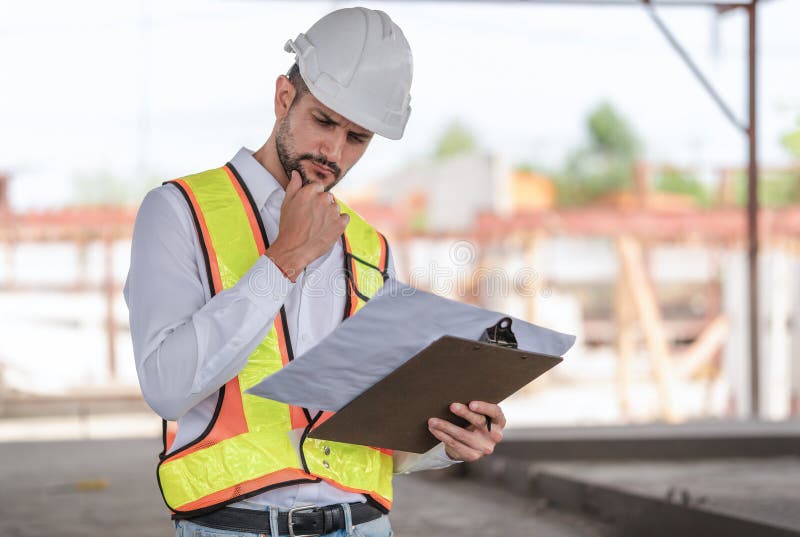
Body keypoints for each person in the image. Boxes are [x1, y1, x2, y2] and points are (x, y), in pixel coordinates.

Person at [124, 7, 506, 537]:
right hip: (235, 527)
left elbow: (377, 430)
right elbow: (166, 388)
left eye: (358, 138)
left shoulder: (369, 246)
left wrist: (446, 440)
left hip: (365, 525)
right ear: (284, 97)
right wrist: (283, 261)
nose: (333, 151)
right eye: (323, 121)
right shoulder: (179, 211)